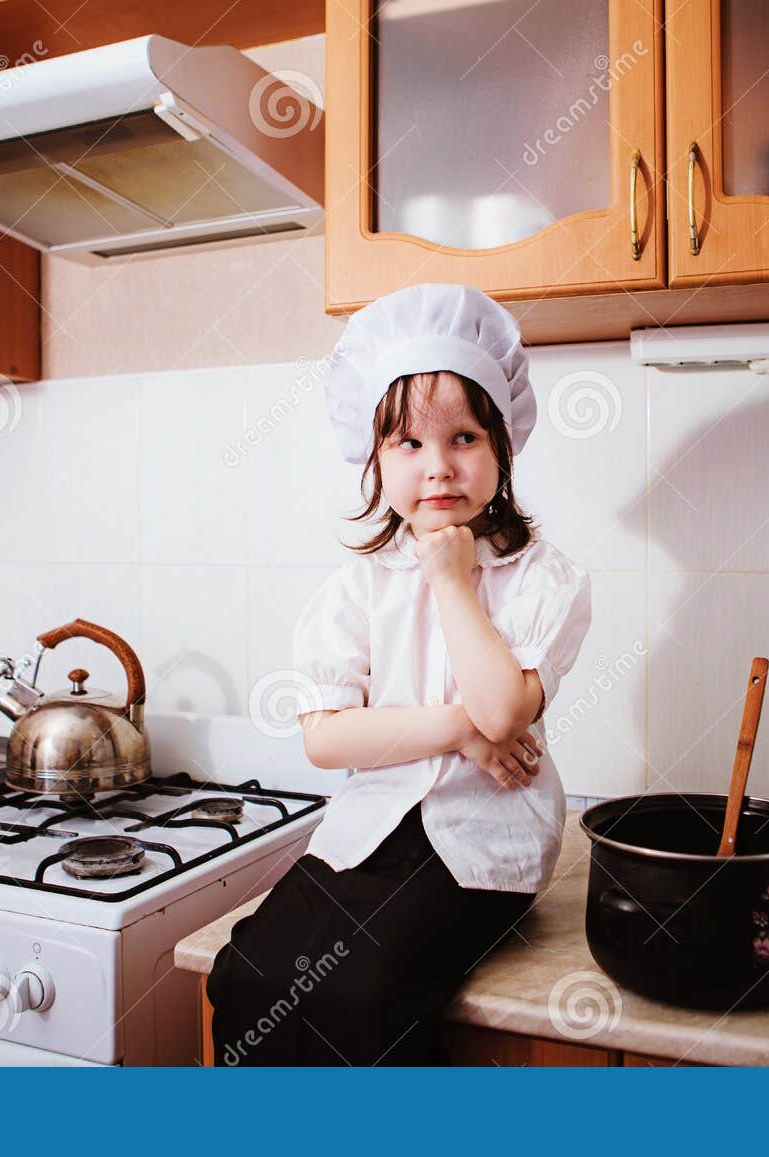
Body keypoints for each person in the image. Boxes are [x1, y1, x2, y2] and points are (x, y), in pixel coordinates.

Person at [207, 283, 593, 1065]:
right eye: (408, 445)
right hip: (372, 824)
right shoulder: (357, 584)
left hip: (488, 836)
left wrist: (453, 578)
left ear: (502, 447)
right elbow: (326, 738)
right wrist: (458, 729)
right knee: (245, 972)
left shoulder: (543, 579)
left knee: (365, 992)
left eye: (464, 438)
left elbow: (504, 711)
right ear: (376, 459)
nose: (438, 468)